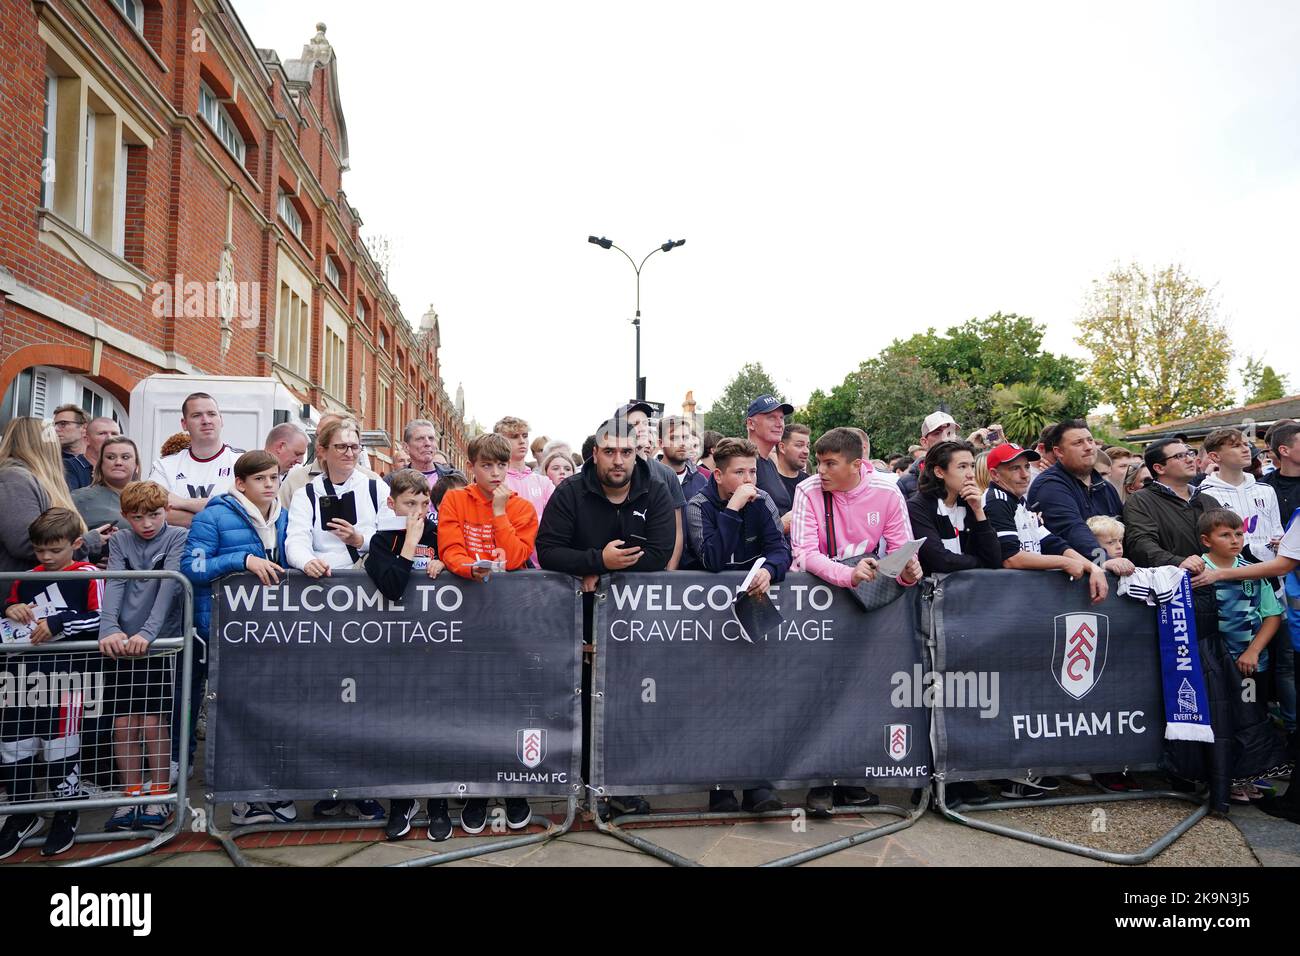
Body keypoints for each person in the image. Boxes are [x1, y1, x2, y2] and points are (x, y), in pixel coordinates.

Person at [537, 415, 676, 820]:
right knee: (583, 700)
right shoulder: (570, 491)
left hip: (635, 617)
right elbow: (548, 549)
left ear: (638, 454)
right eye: (610, 451)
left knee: (629, 701)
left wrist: (605, 571)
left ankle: (621, 784)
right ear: (595, 453)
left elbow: (659, 553)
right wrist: (596, 559)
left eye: (627, 452)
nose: (618, 460)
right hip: (577, 618)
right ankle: (584, 785)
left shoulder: (656, 490)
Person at [789, 427, 923, 812]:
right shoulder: (809, 490)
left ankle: (851, 779)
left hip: (869, 604)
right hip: (821, 601)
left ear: (856, 464)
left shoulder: (887, 490)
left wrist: (908, 572)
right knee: (820, 691)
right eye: (819, 461)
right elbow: (805, 554)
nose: (821, 471)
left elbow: (902, 551)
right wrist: (846, 575)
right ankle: (820, 783)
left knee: (861, 691)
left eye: (830, 463)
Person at [182, 450, 295, 828]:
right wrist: (241, 561)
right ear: (241, 483)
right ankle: (241, 801)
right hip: (225, 631)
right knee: (235, 716)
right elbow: (192, 567)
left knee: (271, 712)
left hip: (272, 630)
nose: (269, 485)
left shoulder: (283, 515)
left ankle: (269, 791)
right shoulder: (213, 515)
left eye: (274, 478)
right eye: (260, 479)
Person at [683, 438, 790, 813]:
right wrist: (732, 508)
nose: (749, 479)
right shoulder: (698, 505)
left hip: (753, 610)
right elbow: (712, 558)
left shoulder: (763, 501)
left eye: (752, 471)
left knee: (759, 695)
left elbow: (781, 549)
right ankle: (720, 787)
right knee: (718, 699)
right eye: (739, 472)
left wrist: (768, 570)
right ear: (719, 475)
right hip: (710, 618)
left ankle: (759, 785)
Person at [0, 508, 101, 858]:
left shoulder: (89, 574)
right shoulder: (25, 576)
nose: (45, 557)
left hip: (69, 678)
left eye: (53, 550)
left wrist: (61, 624)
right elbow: (11, 615)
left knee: (62, 745)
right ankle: (21, 813)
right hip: (20, 679)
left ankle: (65, 812)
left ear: (75, 544)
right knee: (15, 746)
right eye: (39, 549)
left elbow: (101, 618)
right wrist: (11, 609)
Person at [363, 469, 453, 842]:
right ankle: (403, 798)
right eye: (409, 503)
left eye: (423, 503)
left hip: (440, 645)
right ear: (392, 504)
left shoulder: (439, 534)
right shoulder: (381, 540)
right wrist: (408, 545)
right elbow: (393, 587)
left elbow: (463, 564)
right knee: (401, 723)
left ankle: (439, 801)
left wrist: (447, 564)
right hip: (397, 647)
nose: (418, 511)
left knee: (440, 723)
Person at [97, 481, 188, 831]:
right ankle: (130, 795)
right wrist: (108, 629)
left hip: (159, 643)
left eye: (154, 514)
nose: (147, 523)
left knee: (152, 723)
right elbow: (115, 583)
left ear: (165, 510)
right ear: (125, 517)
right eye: (138, 517)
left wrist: (148, 634)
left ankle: (159, 795)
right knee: (123, 724)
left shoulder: (177, 537)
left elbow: (169, 586)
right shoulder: (120, 540)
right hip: (122, 642)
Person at [1197, 508, 1284, 802]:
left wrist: (1253, 650)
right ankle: (1226, 777)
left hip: (1249, 662)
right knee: (1222, 719)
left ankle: (1250, 773)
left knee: (1251, 717)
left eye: (1238, 534)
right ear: (1206, 540)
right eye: (1226, 535)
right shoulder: (1196, 572)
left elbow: (1272, 616)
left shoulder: (1252, 571)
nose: (1235, 540)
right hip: (1213, 663)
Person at [984, 443, 1112, 599]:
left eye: (1026, 466)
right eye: (1015, 468)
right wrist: (1064, 562)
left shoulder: (1019, 500)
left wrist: (1093, 567)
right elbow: (1011, 558)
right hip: (1004, 597)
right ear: (995, 474)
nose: (1025, 475)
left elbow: (1051, 542)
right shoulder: (997, 501)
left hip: (1022, 592)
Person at [286, 418, 393, 580]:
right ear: (322, 451)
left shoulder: (377, 488)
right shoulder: (306, 495)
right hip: (323, 582)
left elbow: (392, 538)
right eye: (341, 447)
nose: (349, 454)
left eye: (355, 447)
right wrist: (307, 561)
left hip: (368, 581)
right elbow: (296, 540)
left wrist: (359, 540)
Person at [438, 433, 538, 582]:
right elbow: (450, 549)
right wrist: (470, 568)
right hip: (465, 588)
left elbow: (513, 560)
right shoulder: (454, 499)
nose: (495, 473)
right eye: (487, 465)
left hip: (510, 593)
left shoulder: (524, 508)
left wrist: (499, 513)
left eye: (502, 465)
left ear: (508, 465)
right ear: (470, 467)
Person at [1027, 419, 1123, 561]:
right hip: (1068, 578)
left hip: (1114, 574)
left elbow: (1123, 530)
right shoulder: (1050, 485)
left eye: (1090, 440)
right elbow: (1072, 530)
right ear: (1058, 451)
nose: (1088, 447)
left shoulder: (1105, 487)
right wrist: (1104, 562)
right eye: (1078, 443)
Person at [0, 418, 84, 575]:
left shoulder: (31, 477)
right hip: (24, 593)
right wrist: (88, 543)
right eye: (52, 435)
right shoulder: (14, 478)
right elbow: (26, 544)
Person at [147, 393, 241, 529]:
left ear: (221, 419)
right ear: (184, 424)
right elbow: (153, 512)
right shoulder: (164, 466)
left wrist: (182, 503)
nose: (206, 420)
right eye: (196, 415)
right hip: (178, 549)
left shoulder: (242, 462)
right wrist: (219, 518)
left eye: (211, 414)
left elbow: (244, 510)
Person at [906, 441, 1001, 574]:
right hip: (937, 590)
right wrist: (981, 562)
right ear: (939, 472)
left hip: (973, 586)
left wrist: (979, 511)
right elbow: (941, 560)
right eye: (962, 467)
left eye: (972, 466)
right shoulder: (918, 506)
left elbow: (994, 558)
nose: (971, 474)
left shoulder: (970, 502)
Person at [1122, 438, 1209, 575]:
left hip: (1218, 584)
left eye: (1190, 453)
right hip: (1173, 586)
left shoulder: (1208, 500)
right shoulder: (1141, 501)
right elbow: (1141, 545)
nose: (1190, 459)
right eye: (1179, 456)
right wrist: (1177, 562)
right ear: (1159, 468)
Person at [621, 403, 687, 569]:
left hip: (659, 570)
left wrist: (670, 571)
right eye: (635, 424)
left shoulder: (667, 474)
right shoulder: (614, 473)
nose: (642, 428)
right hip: (620, 570)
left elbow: (677, 530)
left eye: (645, 423)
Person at [279, 413, 379, 509]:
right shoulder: (295, 481)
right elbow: (280, 522)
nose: (319, 442)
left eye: (328, 435)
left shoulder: (373, 483)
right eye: (317, 436)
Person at [73, 436, 141, 563]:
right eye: (110, 457)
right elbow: (60, 543)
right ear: (100, 464)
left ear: (136, 465)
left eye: (125, 457)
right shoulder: (78, 499)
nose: (118, 462)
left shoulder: (151, 497)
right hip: (97, 577)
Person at [494, 417, 552, 563]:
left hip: (542, 562)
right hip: (507, 561)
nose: (522, 441)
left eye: (525, 435)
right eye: (514, 437)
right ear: (499, 441)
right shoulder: (494, 481)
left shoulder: (543, 482)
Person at [745, 395, 798, 519]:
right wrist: (783, 524)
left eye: (781, 418)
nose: (780, 424)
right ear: (751, 423)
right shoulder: (745, 462)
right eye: (771, 418)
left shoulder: (770, 462)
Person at [898, 411, 960, 497]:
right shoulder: (906, 483)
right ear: (924, 442)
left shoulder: (967, 475)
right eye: (937, 433)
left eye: (950, 433)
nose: (945, 438)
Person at [660, 415, 708, 503]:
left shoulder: (702, 482)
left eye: (685, 437)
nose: (682, 443)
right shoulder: (648, 477)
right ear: (660, 443)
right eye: (674, 438)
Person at [53, 404, 93, 492]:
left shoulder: (101, 459)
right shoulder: (50, 459)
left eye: (63, 424)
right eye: (54, 425)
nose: (55, 429)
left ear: (84, 427)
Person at [773, 423, 811, 509]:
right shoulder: (767, 481)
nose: (806, 451)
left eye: (808, 446)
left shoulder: (808, 483)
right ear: (782, 447)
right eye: (799, 445)